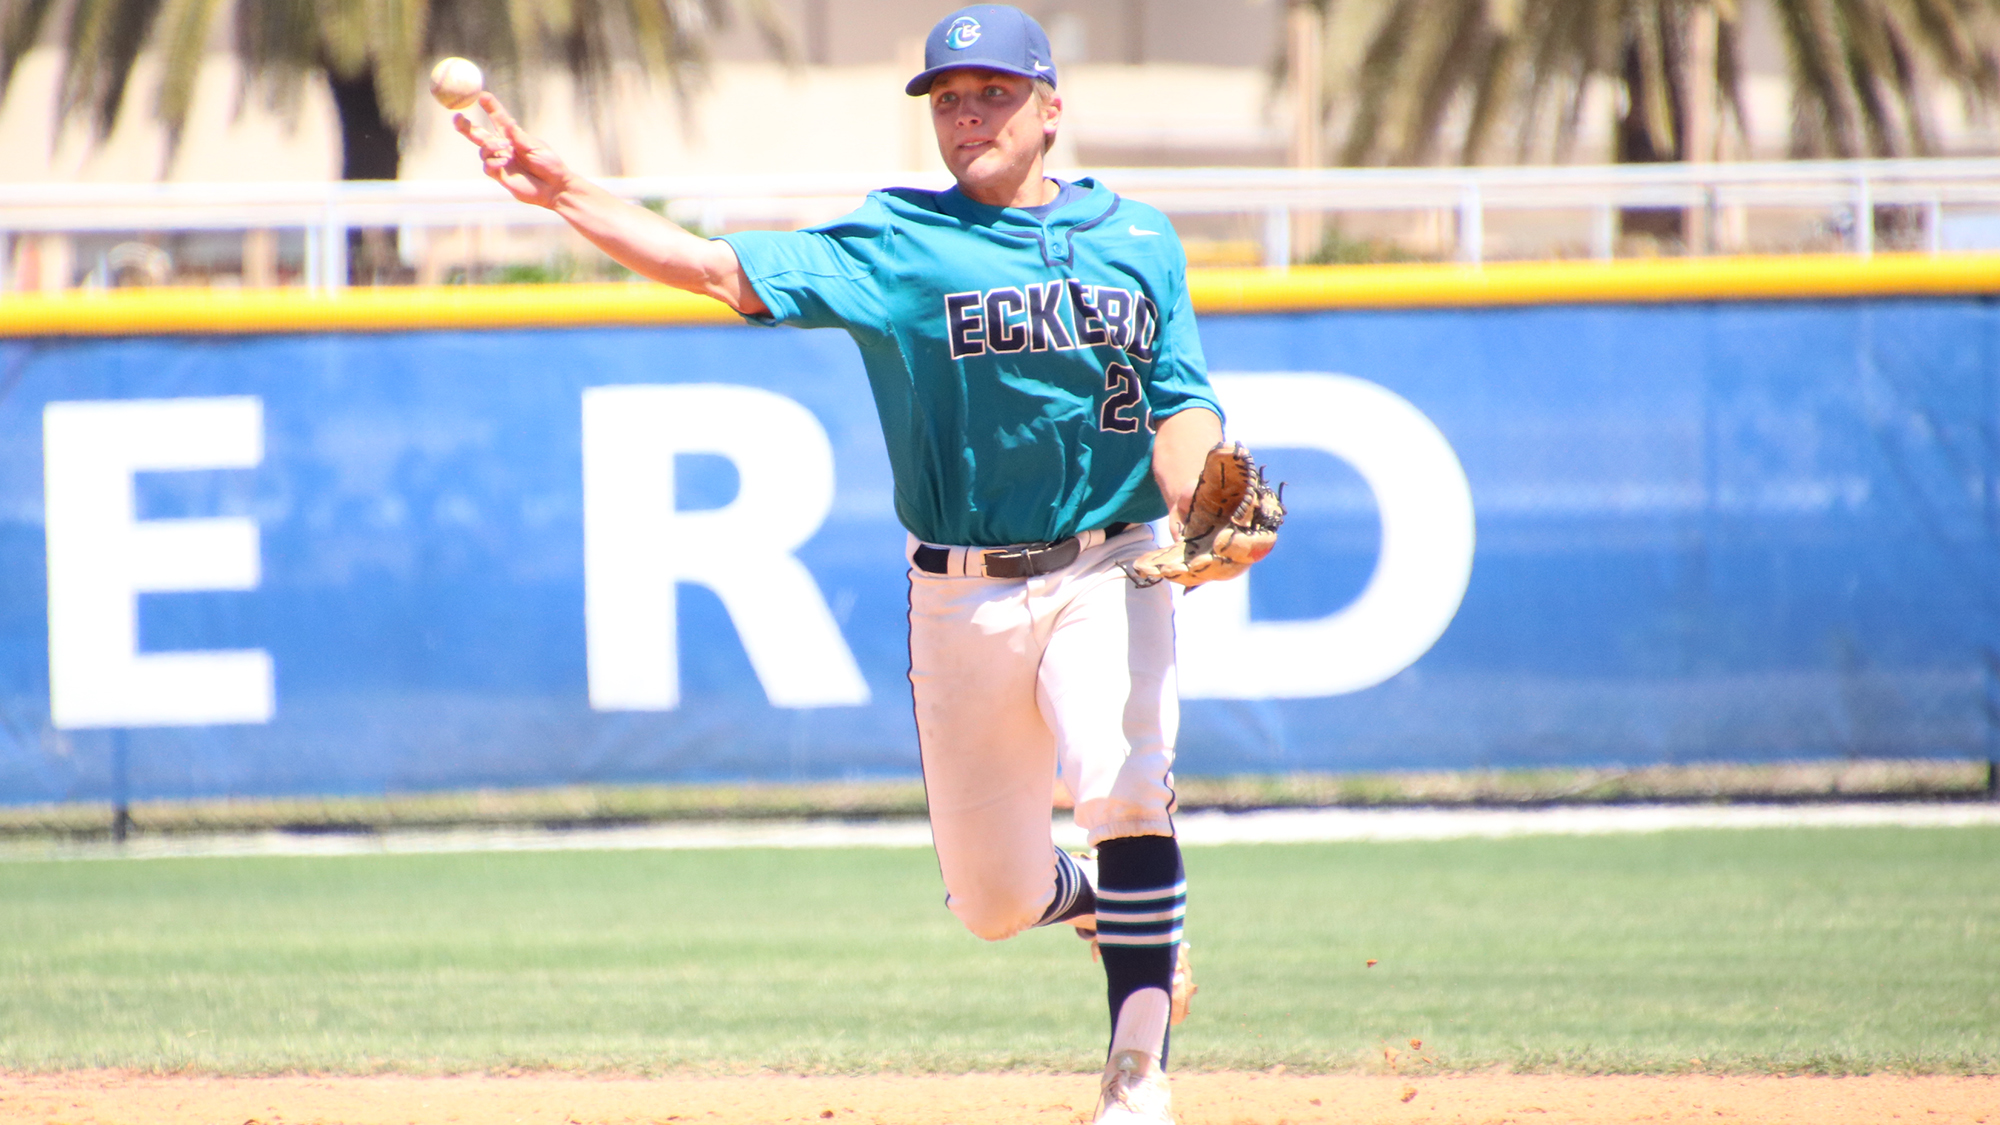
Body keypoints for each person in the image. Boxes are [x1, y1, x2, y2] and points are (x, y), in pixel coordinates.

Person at [455, 7, 1222, 1121]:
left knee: (1125, 787)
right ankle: (1096, 907)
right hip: (960, 590)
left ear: (1051, 108)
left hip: (1110, 560)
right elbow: (714, 267)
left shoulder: (1137, 237)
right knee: (994, 901)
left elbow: (1180, 403)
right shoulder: (898, 240)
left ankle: (1136, 1075)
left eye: (993, 93)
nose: (968, 115)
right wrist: (564, 190)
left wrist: (1197, 497)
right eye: (949, 99)